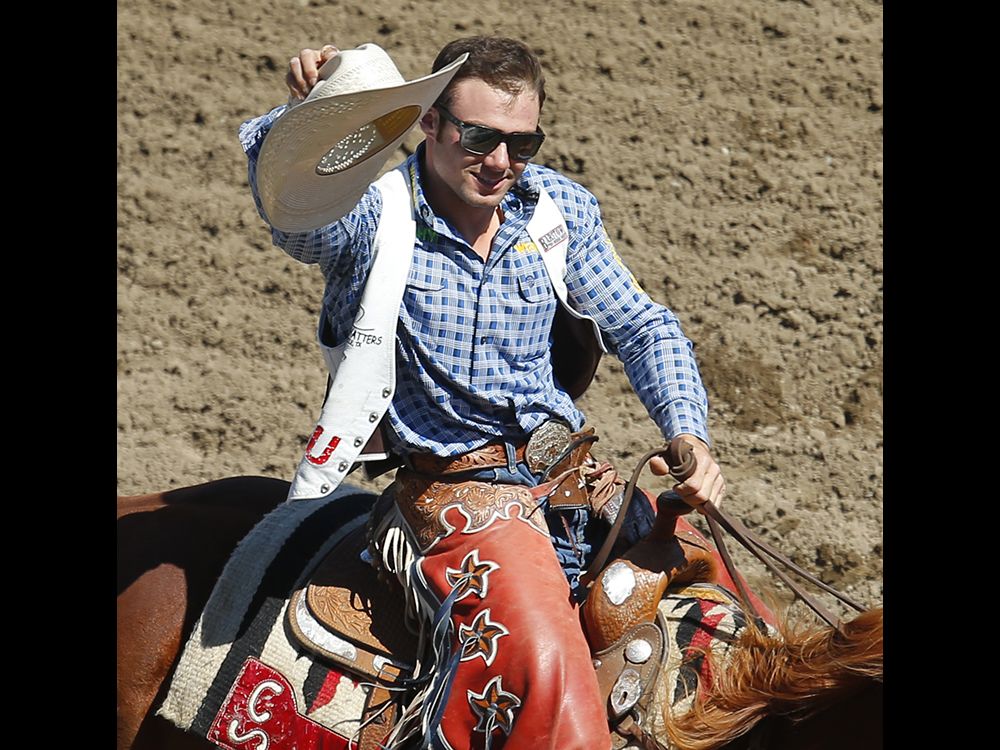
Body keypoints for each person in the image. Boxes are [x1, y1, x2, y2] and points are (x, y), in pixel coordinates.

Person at [240, 35, 726, 750]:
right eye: (478, 137)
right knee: (549, 674)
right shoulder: (376, 216)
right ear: (431, 123)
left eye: (521, 142)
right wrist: (303, 118)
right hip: (454, 499)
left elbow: (643, 325)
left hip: (572, 480)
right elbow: (295, 215)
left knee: (729, 624)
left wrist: (689, 432)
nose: (500, 162)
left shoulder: (557, 210)